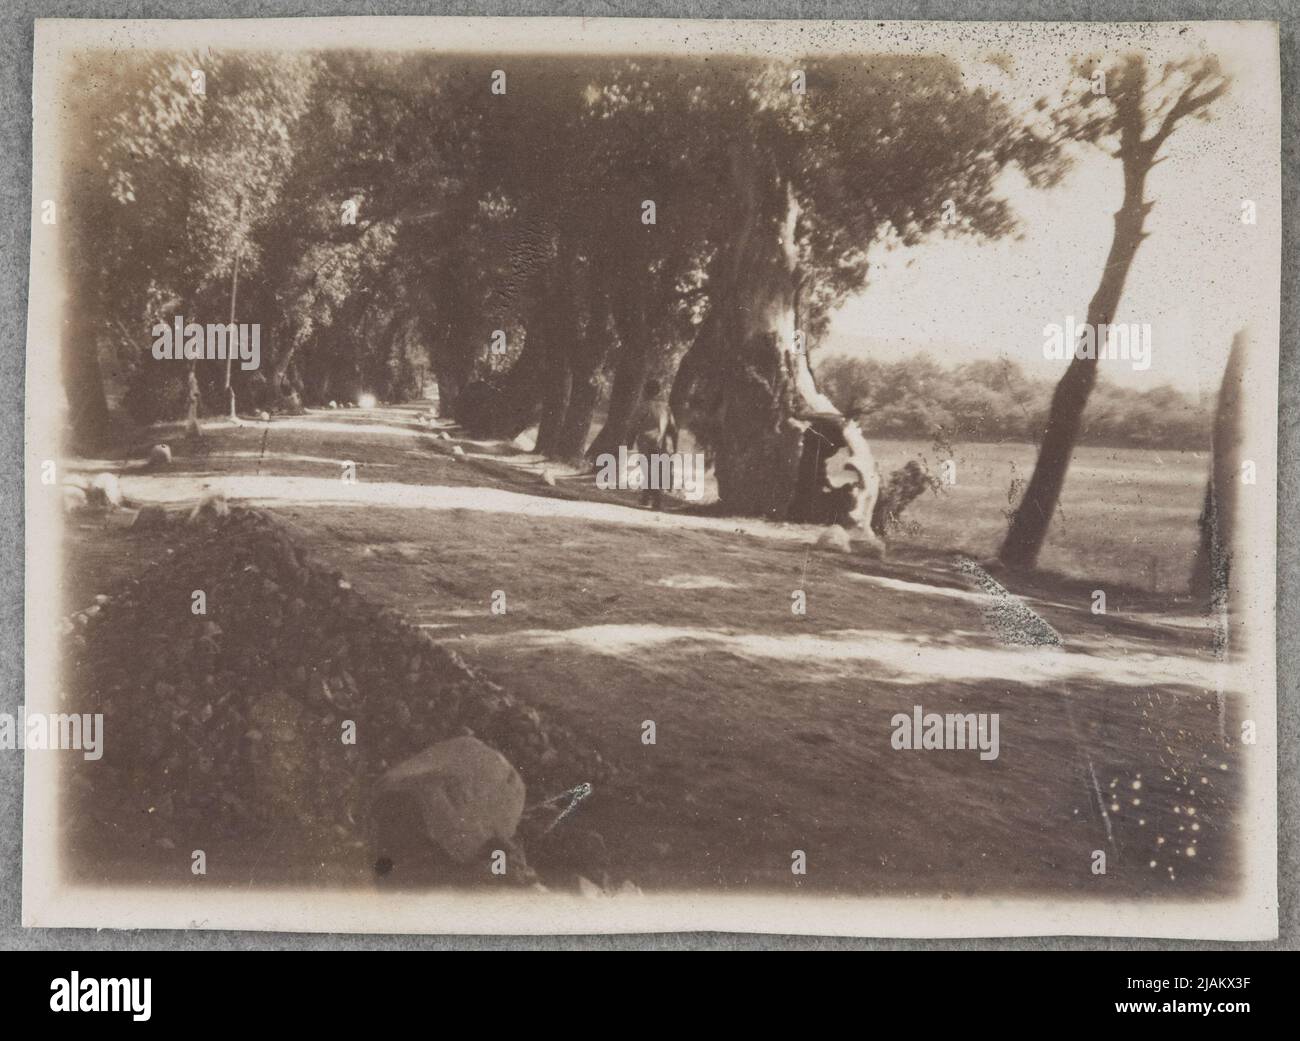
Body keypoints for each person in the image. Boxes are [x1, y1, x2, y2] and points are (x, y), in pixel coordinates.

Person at [629, 378, 678, 510]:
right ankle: (646, 497)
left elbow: (633, 427)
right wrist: (675, 446)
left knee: (648, 469)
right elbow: (673, 429)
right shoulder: (666, 408)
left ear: (645, 391)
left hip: (647, 442)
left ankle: (655, 499)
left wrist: (629, 443)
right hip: (663, 444)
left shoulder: (642, 407)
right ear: (658, 392)